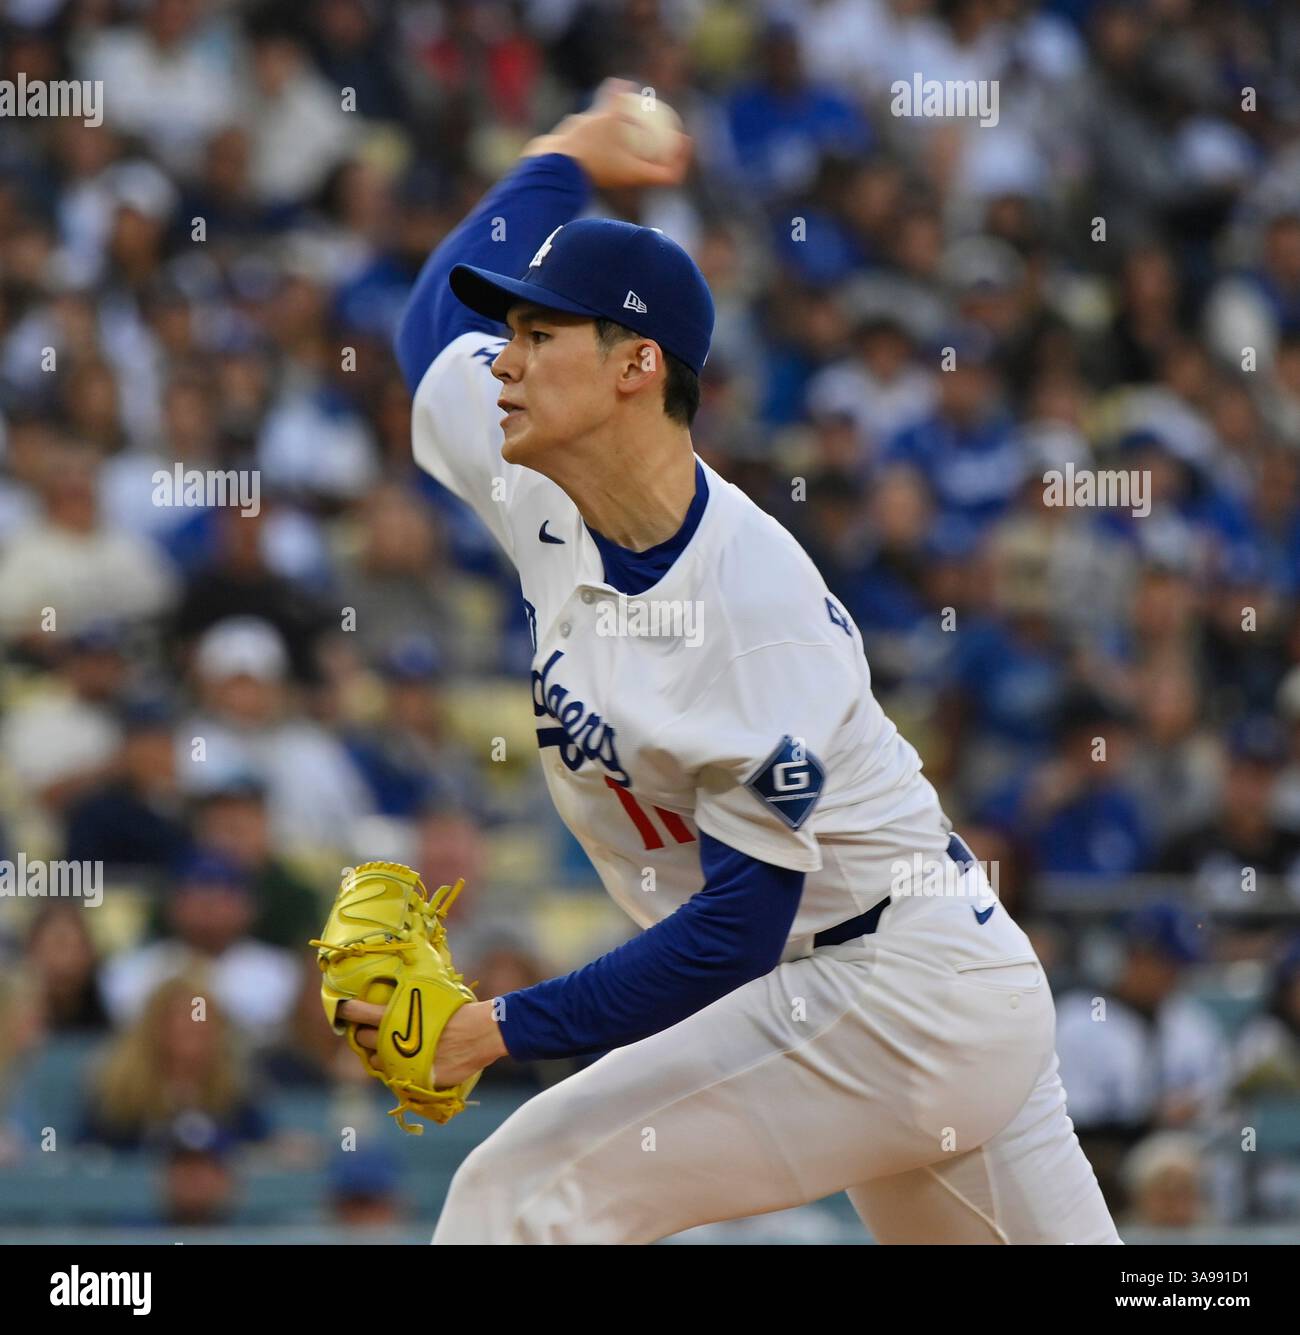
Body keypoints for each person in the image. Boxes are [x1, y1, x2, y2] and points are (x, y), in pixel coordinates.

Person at [337, 80, 1119, 1245]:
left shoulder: (755, 609)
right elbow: (422, 338)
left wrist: (491, 1028)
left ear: (634, 367)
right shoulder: (534, 465)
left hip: (890, 990)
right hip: (901, 985)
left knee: (515, 1204)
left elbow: (734, 932)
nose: (501, 361)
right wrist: (563, 153)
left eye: (536, 334)